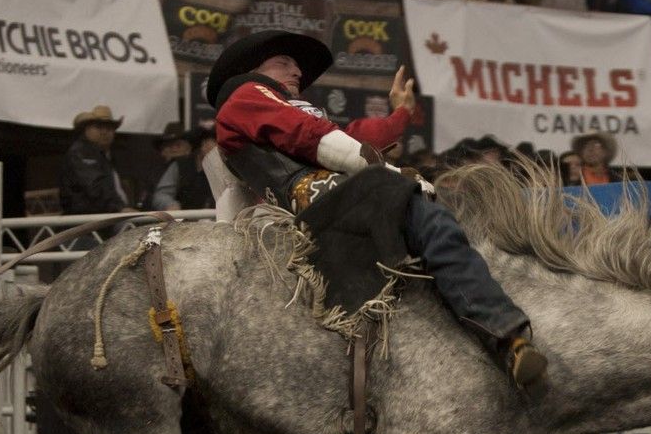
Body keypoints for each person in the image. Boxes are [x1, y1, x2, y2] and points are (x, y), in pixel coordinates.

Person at [204, 30, 548, 397]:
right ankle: (506, 335)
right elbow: (316, 139)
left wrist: (401, 112)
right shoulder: (246, 96)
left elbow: (348, 136)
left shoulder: (282, 106)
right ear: (251, 70)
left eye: (296, 65)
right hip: (315, 201)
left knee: (431, 214)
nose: (297, 71)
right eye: (284, 63)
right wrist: (396, 176)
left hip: (335, 197)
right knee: (428, 216)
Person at [58, 105, 134, 215]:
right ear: (86, 129)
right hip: (89, 221)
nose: (104, 132)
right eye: (99, 127)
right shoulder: (81, 152)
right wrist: (119, 208)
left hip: (105, 215)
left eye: (109, 128)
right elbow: (95, 188)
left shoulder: (103, 155)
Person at [150, 126, 218, 211]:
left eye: (178, 145)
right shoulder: (181, 165)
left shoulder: (224, 168)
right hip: (181, 220)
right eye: (215, 141)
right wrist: (170, 205)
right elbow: (161, 195)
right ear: (203, 143)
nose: (174, 149)